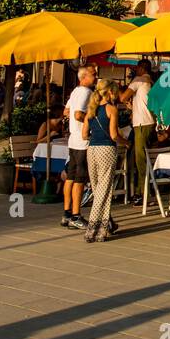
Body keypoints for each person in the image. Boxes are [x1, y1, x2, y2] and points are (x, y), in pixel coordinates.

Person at [82, 79, 129, 242]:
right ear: (110, 92)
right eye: (115, 92)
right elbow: (114, 135)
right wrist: (126, 143)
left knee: (97, 189)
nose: (116, 95)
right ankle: (93, 229)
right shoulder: (112, 109)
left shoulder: (91, 110)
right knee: (104, 190)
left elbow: (83, 135)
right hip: (106, 150)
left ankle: (105, 226)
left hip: (91, 150)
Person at [62, 65, 97, 230]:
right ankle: (76, 215)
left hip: (73, 139)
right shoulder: (86, 92)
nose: (95, 77)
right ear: (83, 77)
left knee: (70, 176)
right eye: (93, 74)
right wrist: (92, 121)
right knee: (80, 178)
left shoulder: (75, 91)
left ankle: (67, 213)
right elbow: (77, 114)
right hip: (82, 141)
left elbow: (66, 111)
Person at [120, 59, 155, 205]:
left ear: (141, 68)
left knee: (140, 159)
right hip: (147, 122)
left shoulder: (139, 80)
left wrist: (117, 90)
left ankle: (144, 192)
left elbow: (122, 97)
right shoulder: (151, 82)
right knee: (139, 157)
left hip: (141, 123)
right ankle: (142, 190)